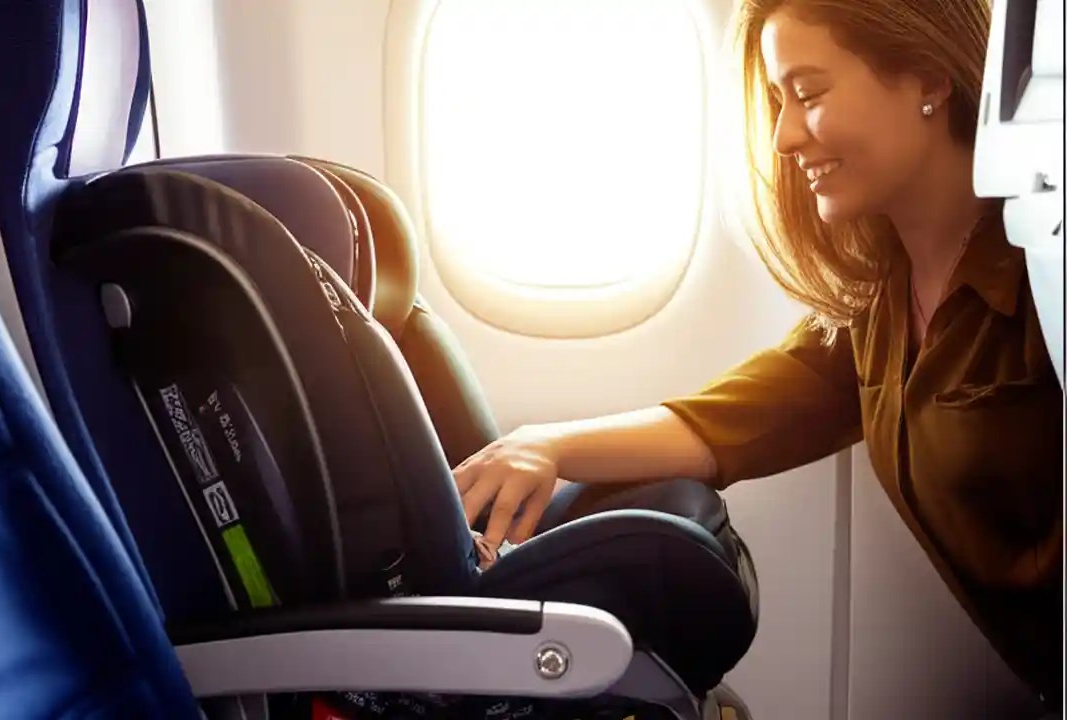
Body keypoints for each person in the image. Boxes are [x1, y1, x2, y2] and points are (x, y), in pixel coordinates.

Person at [451, 0, 1063, 714]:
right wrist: (544, 447)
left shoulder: (1040, 276)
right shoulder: (877, 306)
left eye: (808, 94)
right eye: (777, 101)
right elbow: (723, 427)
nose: (782, 135)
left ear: (927, 79)